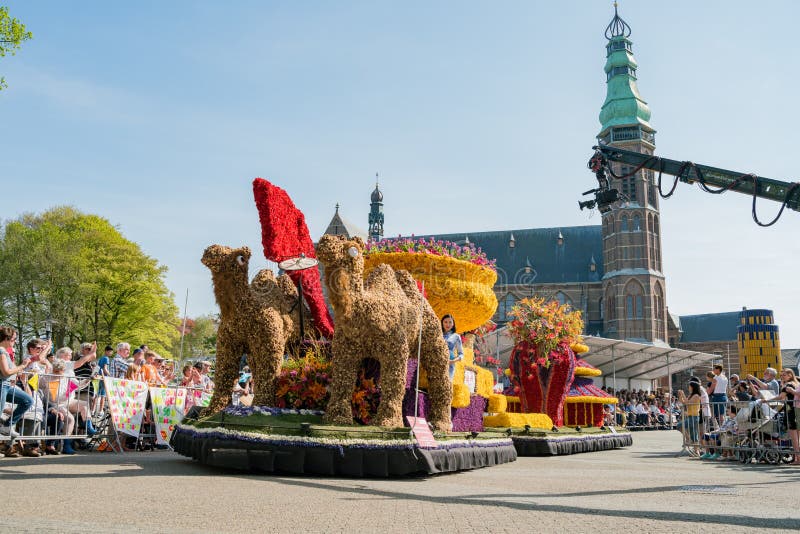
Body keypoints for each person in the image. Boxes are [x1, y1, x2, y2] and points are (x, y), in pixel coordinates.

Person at [0, 326, 34, 439]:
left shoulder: (5, 352)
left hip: (7, 386)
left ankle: (7, 426)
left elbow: (11, 369)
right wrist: (22, 366)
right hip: (2, 385)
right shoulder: (1, 352)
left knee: (27, 400)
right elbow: (6, 372)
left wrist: (19, 369)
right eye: (14, 339)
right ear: (6, 339)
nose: (15, 342)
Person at [767, 369, 800, 464]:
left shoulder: (788, 385)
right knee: (798, 436)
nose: (782, 377)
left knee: (794, 437)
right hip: (796, 410)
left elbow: (781, 397)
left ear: (790, 375)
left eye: (784, 375)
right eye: (781, 375)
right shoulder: (797, 383)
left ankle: (798, 458)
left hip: (791, 411)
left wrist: (767, 400)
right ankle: (797, 457)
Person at [678, 382, 702, 453]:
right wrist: (680, 395)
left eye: (689, 386)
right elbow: (683, 402)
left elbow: (688, 402)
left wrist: (683, 394)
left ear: (692, 387)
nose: (688, 387)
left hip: (694, 416)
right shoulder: (691, 395)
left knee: (680, 426)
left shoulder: (696, 396)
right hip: (690, 416)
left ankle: (689, 440)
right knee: (694, 434)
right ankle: (696, 450)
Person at [441, 314, 463, 381]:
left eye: (450, 322)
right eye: (445, 322)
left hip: (449, 364)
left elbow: (461, 354)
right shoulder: (438, 334)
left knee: (447, 383)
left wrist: (453, 361)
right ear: (442, 323)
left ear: (453, 324)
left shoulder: (456, 336)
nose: (448, 324)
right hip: (437, 363)